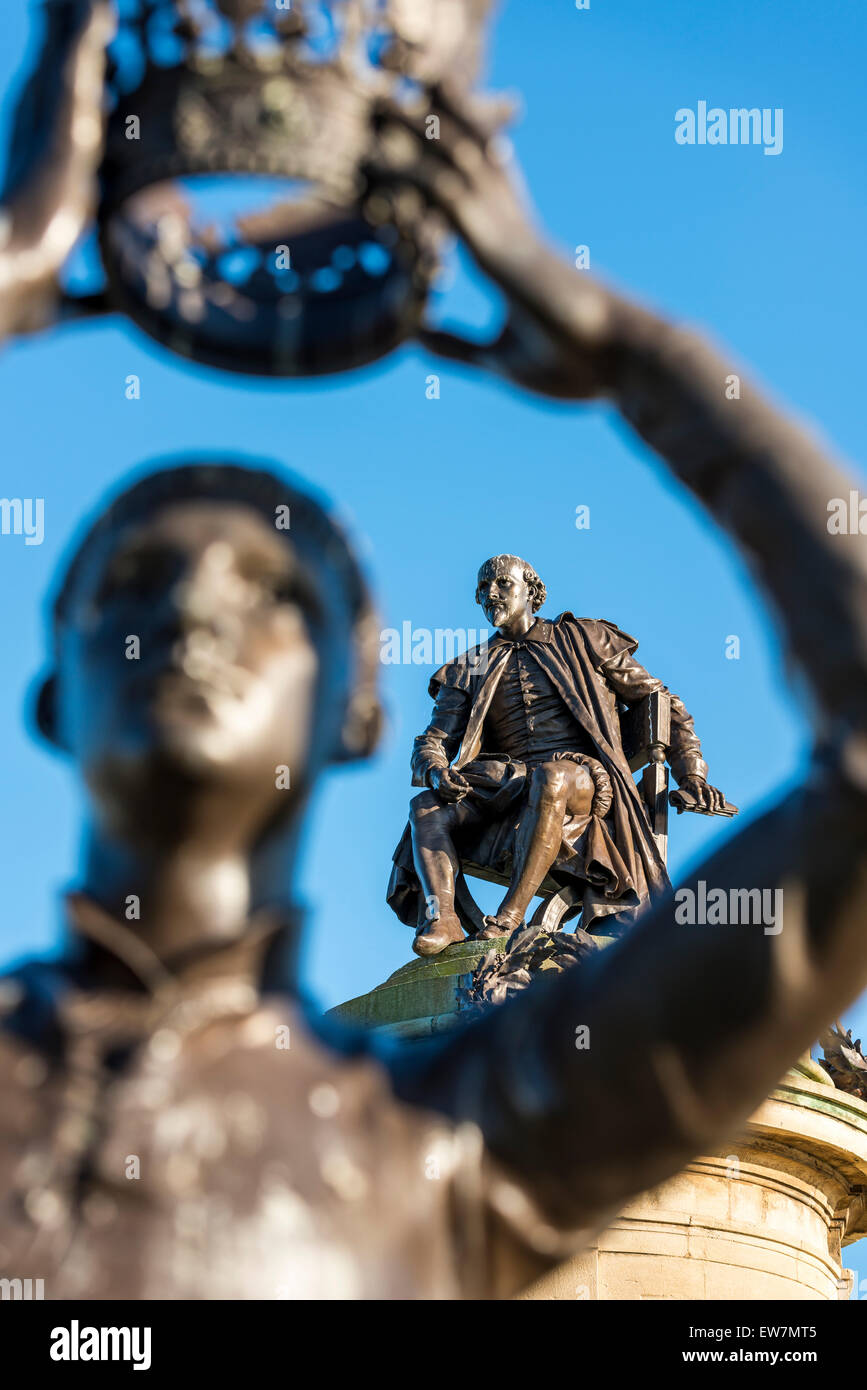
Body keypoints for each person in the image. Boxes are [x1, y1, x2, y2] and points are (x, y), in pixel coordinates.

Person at [388, 551, 727, 955]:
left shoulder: (584, 638)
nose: (490, 595)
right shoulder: (469, 667)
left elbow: (662, 702)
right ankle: (442, 919)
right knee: (425, 806)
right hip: (506, 787)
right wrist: (435, 770)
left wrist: (692, 774)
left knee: (552, 775)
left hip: (583, 783)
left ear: (531, 590)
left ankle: (510, 917)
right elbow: (433, 740)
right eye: (481, 590)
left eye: (502, 584)